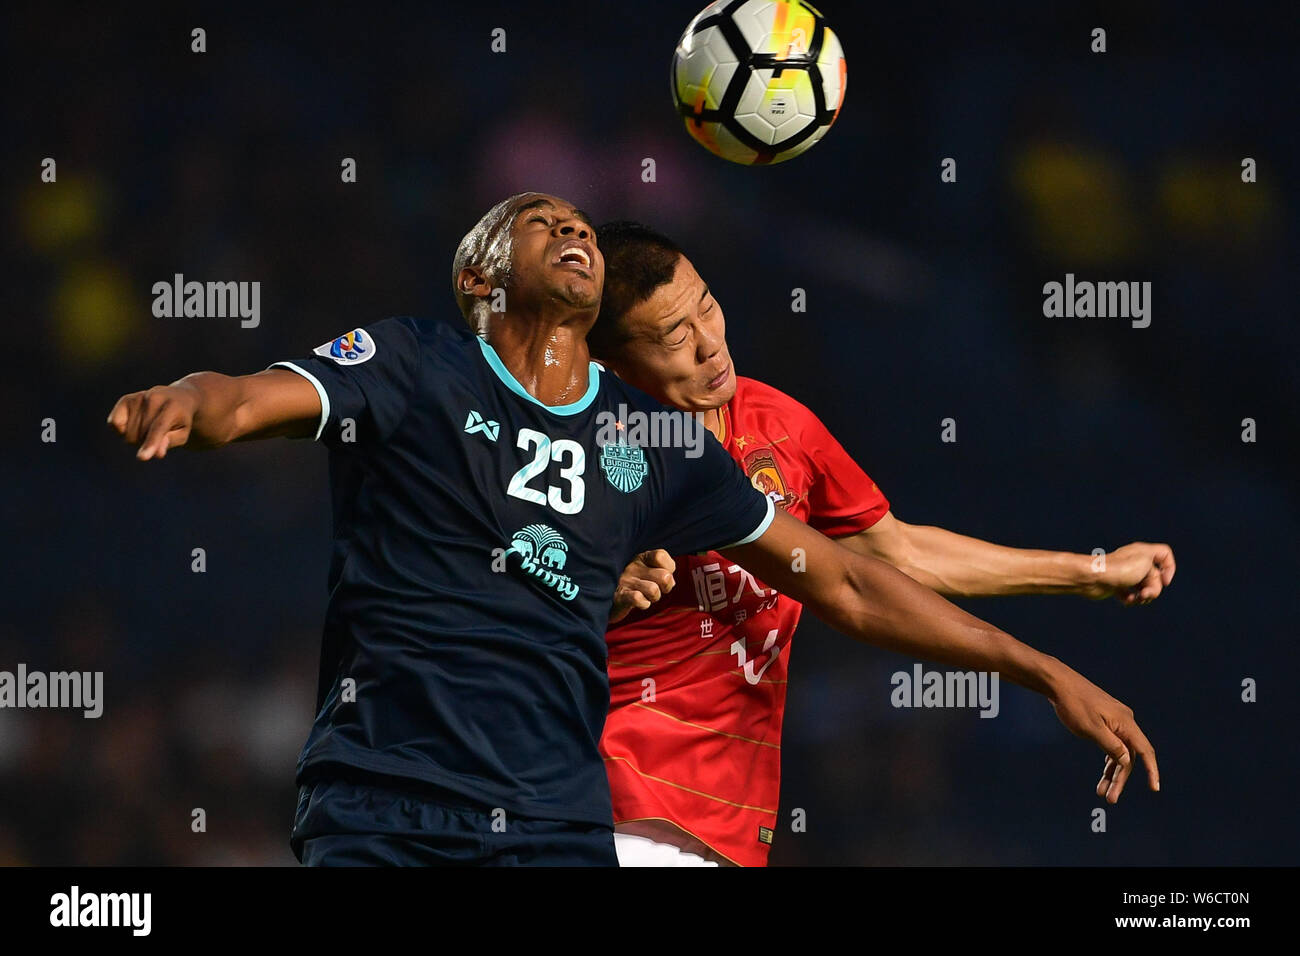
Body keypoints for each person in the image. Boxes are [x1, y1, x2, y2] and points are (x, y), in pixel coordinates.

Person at [107, 192, 1158, 867]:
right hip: (472, 803)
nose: (569, 228)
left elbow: (856, 573)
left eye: (577, 225)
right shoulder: (421, 368)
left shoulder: (682, 446)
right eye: (536, 221)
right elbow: (247, 397)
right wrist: (188, 402)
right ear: (483, 282)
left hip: (593, 824)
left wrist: (1056, 635)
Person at [593, 220, 1175, 866]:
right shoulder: (599, 456)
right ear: (609, 366)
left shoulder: (777, 425)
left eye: (707, 307)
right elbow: (850, 590)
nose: (710, 345)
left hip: (710, 832)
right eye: (675, 337)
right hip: (619, 817)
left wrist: (1087, 571)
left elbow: (891, 553)